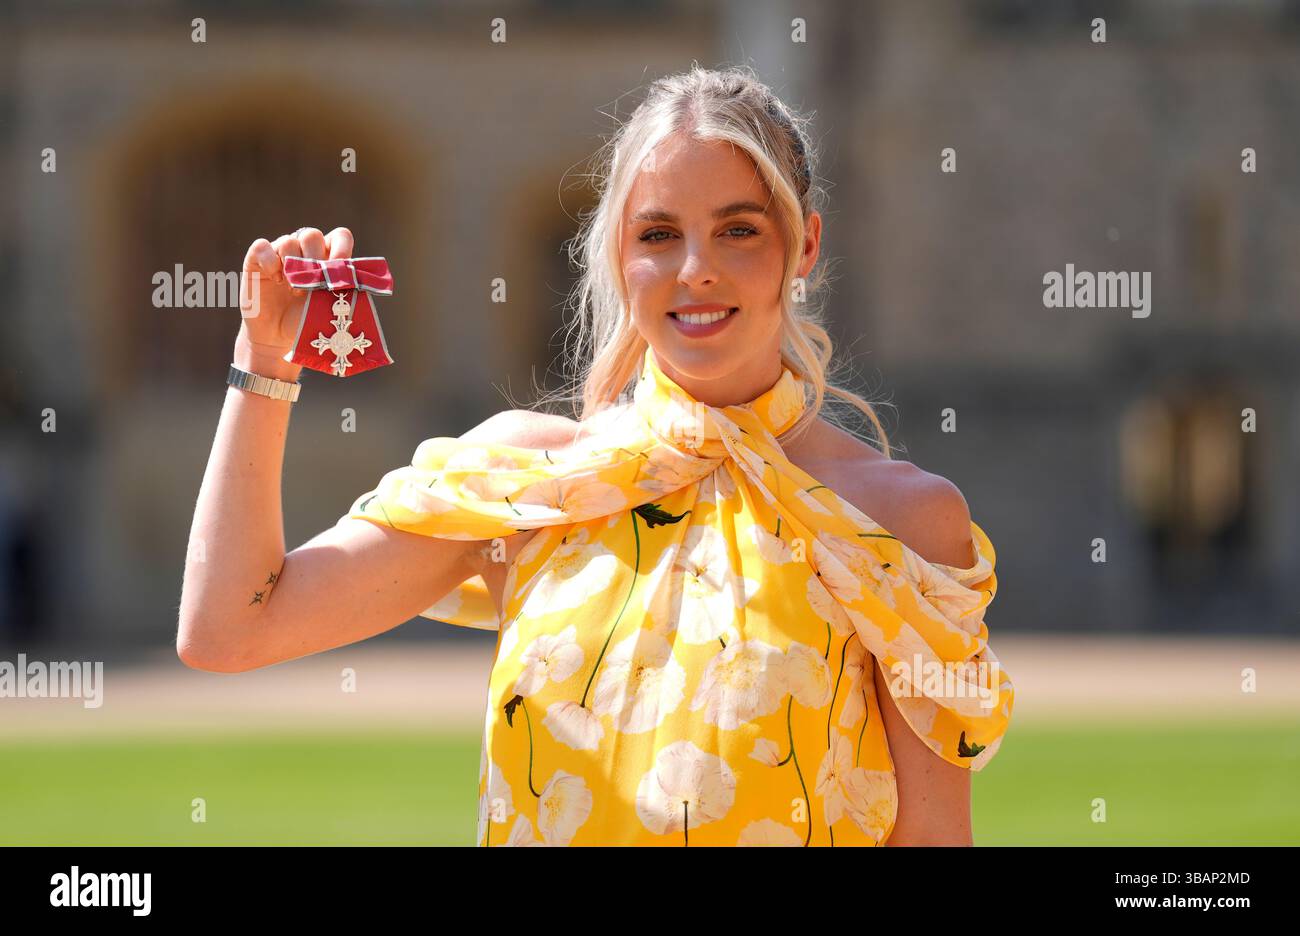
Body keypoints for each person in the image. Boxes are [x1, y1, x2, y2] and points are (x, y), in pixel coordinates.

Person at [178, 65, 1013, 847]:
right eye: (659, 234)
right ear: (619, 252)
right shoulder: (530, 483)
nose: (696, 270)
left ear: (804, 248)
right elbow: (228, 629)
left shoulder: (899, 521)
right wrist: (264, 361)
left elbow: (934, 839)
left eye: (738, 230)